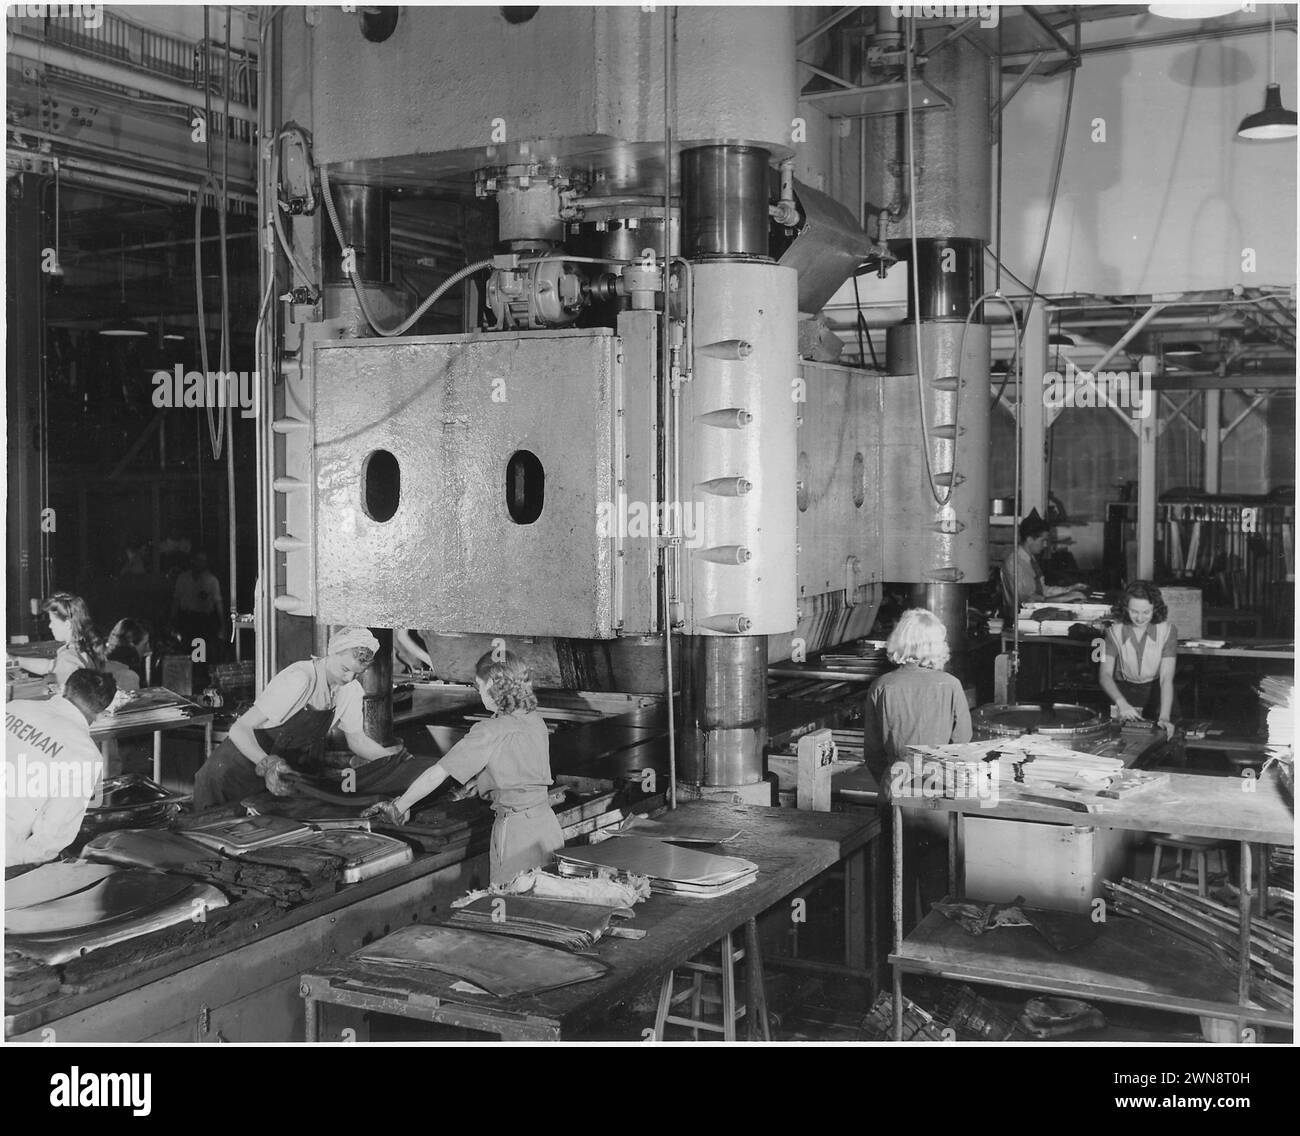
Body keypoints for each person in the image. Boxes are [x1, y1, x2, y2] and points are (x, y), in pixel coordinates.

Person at [365, 649, 564, 885]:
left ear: (492, 683)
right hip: (547, 826)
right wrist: (477, 783)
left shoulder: (489, 731)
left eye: (478, 685)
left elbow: (437, 774)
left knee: (510, 902)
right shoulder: (534, 719)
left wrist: (400, 805)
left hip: (516, 833)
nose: (479, 692)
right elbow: (514, 765)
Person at [191, 627, 407, 810]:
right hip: (231, 774)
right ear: (332, 652)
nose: (349, 678)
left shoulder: (349, 690)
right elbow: (239, 728)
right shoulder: (301, 679)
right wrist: (267, 764)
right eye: (345, 669)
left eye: (357, 673)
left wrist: (394, 759)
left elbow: (357, 740)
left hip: (276, 779)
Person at [5, 668, 117, 868]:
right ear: (102, 712)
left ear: (65, 689)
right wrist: (16, 863)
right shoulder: (85, 754)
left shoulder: (13, 708)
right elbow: (53, 834)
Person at [862, 608, 973, 768]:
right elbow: (962, 743)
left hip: (895, 784)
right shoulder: (951, 685)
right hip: (939, 784)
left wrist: (890, 782)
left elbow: (873, 752)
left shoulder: (881, 686)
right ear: (936, 645)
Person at [1098, 580, 1178, 740]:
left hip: (1158, 693)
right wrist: (1122, 703)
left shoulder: (1168, 631)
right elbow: (1105, 675)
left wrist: (1164, 717)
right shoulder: (1113, 632)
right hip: (1124, 692)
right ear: (1126, 608)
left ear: (1155, 608)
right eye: (1134, 612)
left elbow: (1166, 679)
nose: (1140, 618)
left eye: (1146, 612)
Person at [9, 594, 107, 691]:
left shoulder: (69, 656)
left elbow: (71, 696)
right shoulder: (79, 646)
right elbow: (49, 666)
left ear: (67, 624)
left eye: (52, 621)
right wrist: (15, 660)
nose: (50, 626)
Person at [1000, 515, 1085, 617]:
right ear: (1030, 539)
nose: (1045, 545)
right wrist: (1063, 598)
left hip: (1033, 615)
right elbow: (1028, 601)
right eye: (1043, 540)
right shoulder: (1014, 563)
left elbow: (1042, 591)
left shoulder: (1030, 559)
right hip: (1019, 619)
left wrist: (1069, 589)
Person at [172, 551, 225, 663]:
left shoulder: (212, 580)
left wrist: (222, 624)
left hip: (203, 620)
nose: (201, 563)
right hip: (187, 618)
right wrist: (173, 619)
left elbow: (218, 603)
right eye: (198, 560)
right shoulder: (183, 578)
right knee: (186, 650)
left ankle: (200, 673)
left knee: (201, 652)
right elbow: (176, 600)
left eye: (203, 561)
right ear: (193, 561)